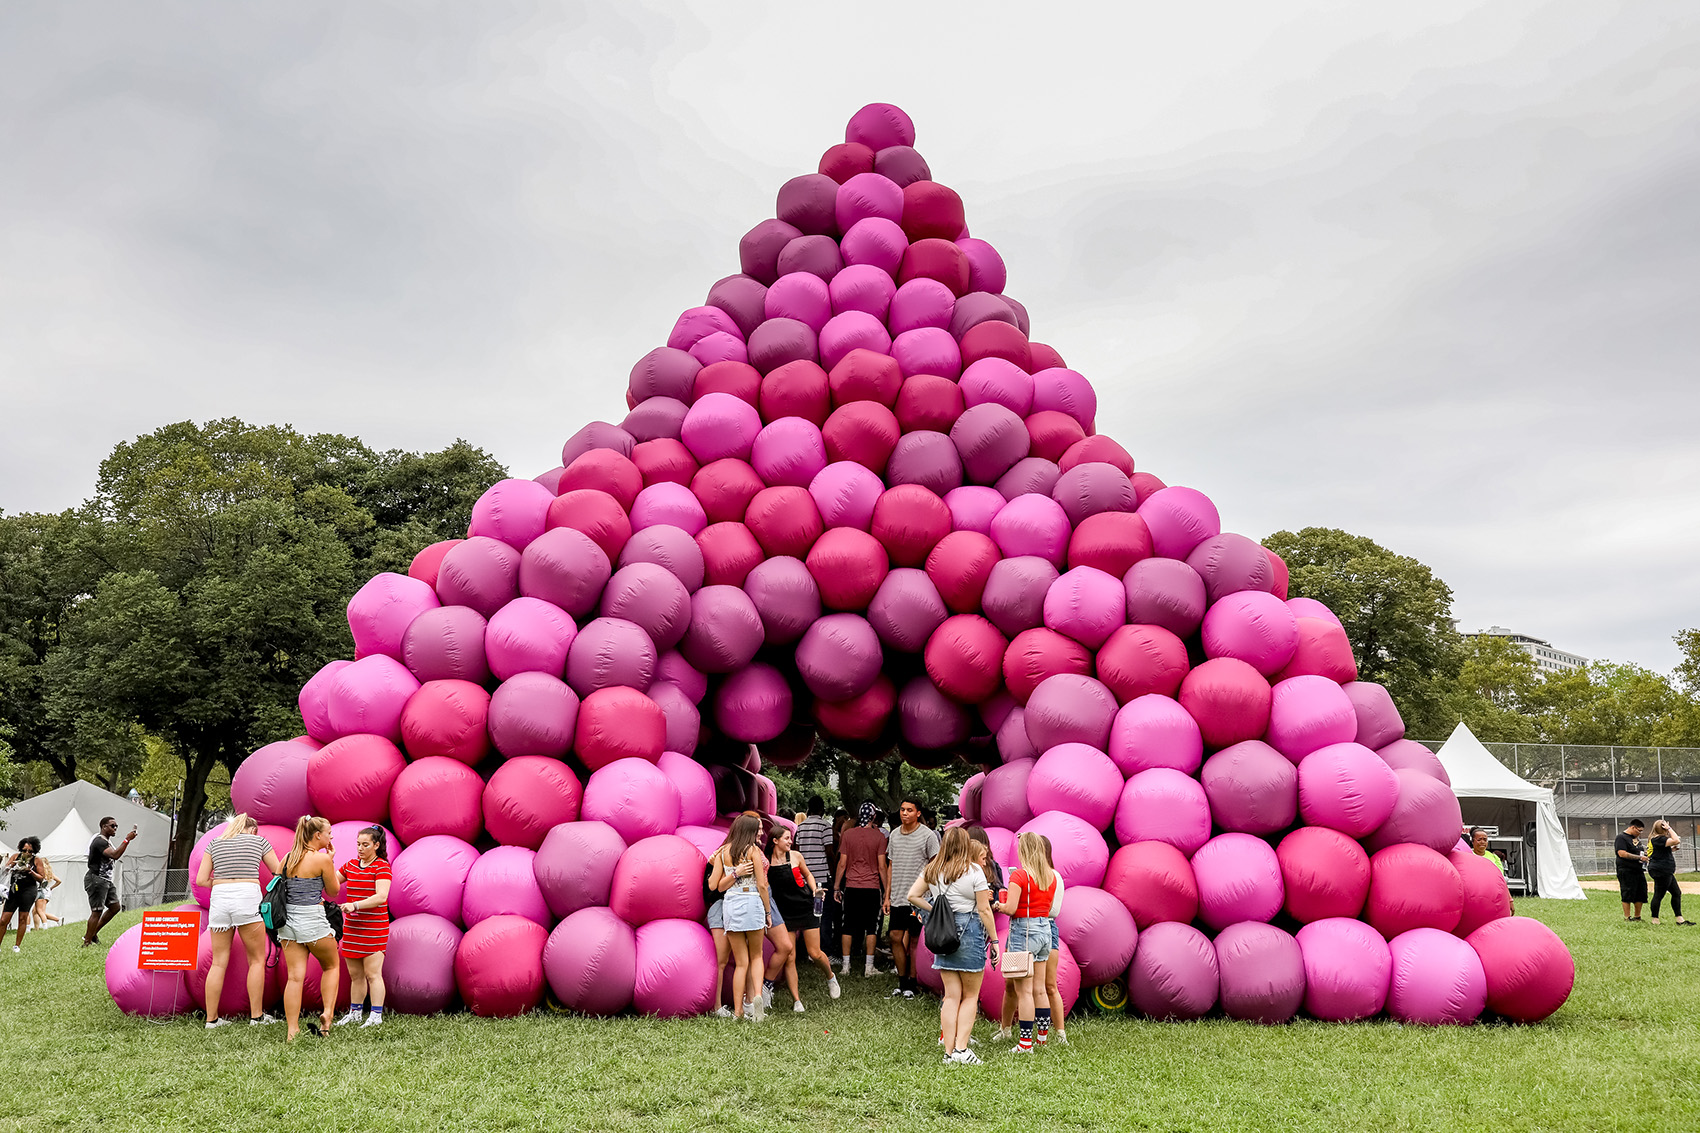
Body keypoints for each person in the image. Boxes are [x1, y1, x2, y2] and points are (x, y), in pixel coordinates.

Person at [907, 826, 997, 1066]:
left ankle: (948, 1052)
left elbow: (912, 896)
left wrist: (936, 908)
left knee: (950, 996)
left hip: (942, 933)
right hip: (970, 932)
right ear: (966, 845)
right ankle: (961, 1049)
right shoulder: (974, 870)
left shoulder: (933, 869)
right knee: (970, 996)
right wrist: (995, 940)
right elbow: (984, 909)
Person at [194, 814, 284, 1027]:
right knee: (256, 960)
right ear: (253, 830)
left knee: (218, 962)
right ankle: (256, 1016)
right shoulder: (258, 841)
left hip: (220, 898)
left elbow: (200, 880)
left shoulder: (214, 843)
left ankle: (211, 1020)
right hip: (247, 896)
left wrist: (222, 882)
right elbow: (278, 872)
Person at [761, 825, 840, 1012]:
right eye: (787, 838)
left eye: (790, 838)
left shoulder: (796, 856)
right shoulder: (766, 862)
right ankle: (797, 1001)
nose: (790, 841)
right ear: (775, 841)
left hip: (805, 908)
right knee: (789, 957)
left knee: (815, 953)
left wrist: (815, 890)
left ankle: (830, 976)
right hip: (784, 913)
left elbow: (808, 874)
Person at [278, 816, 343, 1041]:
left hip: (288, 924)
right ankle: (327, 1014)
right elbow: (333, 891)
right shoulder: (322, 860)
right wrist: (331, 860)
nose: (331, 837)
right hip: (312, 920)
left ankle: (292, 1030)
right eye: (328, 833)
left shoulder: (287, 858)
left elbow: (278, 887)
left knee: (294, 978)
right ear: (317, 836)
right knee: (331, 966)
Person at [991, 832, 1058, 1054]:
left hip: (1024, 931)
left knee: (1024, 991)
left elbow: (1010, 908)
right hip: (1044, 931)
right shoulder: (1050, 876)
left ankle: (1025, 1044)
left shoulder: (1019, 876)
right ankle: (1041, 1038)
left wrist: (998, 906)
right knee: (1040, 989)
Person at [709, 815, 771, 1021]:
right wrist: (768, 912)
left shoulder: (723, 853)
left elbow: (716, 886)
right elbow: (762, 885)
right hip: (752, 900)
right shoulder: (754, 851)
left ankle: (737, 1012)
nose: (759, 834)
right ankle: (755, 998)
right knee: (757, 956)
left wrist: (734, 873)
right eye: (756, 831)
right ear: (749, 832)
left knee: (740, 962)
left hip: (732, 904)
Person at [336, 826, 393, 1027]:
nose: (360, 848)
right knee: (356, 975)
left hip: (374, 927)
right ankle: (355, 1013)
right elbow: (333, 882)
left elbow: (381, 897)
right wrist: (323, 864)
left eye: (365, 844)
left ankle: (376, 1016)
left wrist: (355, 905)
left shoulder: (382, 867)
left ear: (376, 846)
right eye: (358, 844)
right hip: (352, 927)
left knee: (373, 974)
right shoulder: (350, 865)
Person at [884, 797, 940, 1000]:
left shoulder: (928, 836)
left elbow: (935, 865)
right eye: (902, 809)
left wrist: (931, 893)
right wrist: (887, 895)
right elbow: (890, 865)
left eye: (909, 810)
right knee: (895, 938)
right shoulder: (894, 835)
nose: (904, 813)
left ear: (918, 813)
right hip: (898, 895)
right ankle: (902, 981)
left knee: (915, 940)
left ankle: (912, 983)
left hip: (918, 898)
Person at [833, 802, 888, 978]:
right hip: (872, 888)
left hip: (851, 886)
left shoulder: (848, 835)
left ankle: (846, 966)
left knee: (847, 926)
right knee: (872, 927)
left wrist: (836, 886)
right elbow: (881, 867)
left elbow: (842, 863)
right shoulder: (879, 837)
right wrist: (887, 890)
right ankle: (869, 966)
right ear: (873, 817)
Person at [81, 816, 138, 947]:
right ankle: (87, 942)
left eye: (116, 826)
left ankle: (93, 933)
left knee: (115, 907)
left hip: (105, 880)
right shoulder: (99, 841)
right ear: (104, 827)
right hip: (96, 879)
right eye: (112, 826)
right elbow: (115, 855)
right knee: (97, 911)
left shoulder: (106, 841)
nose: (115, 828)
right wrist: (127, 839)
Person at [794, 797, 836, 959]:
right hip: (821, 877)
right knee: (824, 914)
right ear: (822, 809)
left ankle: (805, 950)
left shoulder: (801, 827)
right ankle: (823, 949)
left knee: (807, 913)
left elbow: (796, 850)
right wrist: (831, 874)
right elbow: (829, 852)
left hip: (804, 877)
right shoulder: (825, 826)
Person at [1038, 835, 1068, 1046]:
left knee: (1049, 985)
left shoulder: (1054, 876)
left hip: (1046, 926)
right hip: (1030, 927)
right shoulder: (1027, 875)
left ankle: (1060, 1033)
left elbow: (1054, 910)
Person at [2, 836, 47, 953]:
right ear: (20, 849)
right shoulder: (15, 857)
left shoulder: (37, 860)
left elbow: (42, 878)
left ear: (34, 851)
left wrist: (30, 871)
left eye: (30, 851)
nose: (27, 853)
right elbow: (5, 870)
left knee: (23, 918)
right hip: (13, 890)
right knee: (4, 919)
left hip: (28, 891)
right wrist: (11, 866)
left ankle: (17, 946)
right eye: (24, 850)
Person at [1647, 820, 1690, 926]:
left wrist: (1671, 850)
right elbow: (1676, 840)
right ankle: (1655, 919)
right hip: (1662, 870)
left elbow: (1658, 853)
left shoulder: (1656, 839)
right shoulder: (1659, 838)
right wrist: (1669, 829)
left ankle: (1679, 919)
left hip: (1664, 870)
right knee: (1659, 894)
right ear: (1663, 828)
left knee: (1676, 893)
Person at [1615, 819, 1649, 922]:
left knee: (1641, 893)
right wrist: (1639, 858)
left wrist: (1645, 855)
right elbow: (1622, 853)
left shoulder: (1637, 839)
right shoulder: (1621, 838)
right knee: (1627, 892)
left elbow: (1639, 851)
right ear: (1632, 827)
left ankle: (1637, 917)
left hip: (1638, 870)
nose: (1640, 833)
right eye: (1639, 830)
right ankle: (1627, 917)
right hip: (1626, 870)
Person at [31, 857, 62, 931]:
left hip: (42, 891)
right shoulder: (49, 872)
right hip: (47, 891)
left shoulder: (41, 871)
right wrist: (51, 888)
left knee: (40, 911)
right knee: (35, 911)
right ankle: (36, 928)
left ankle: (57, 919)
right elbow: (59, 881)